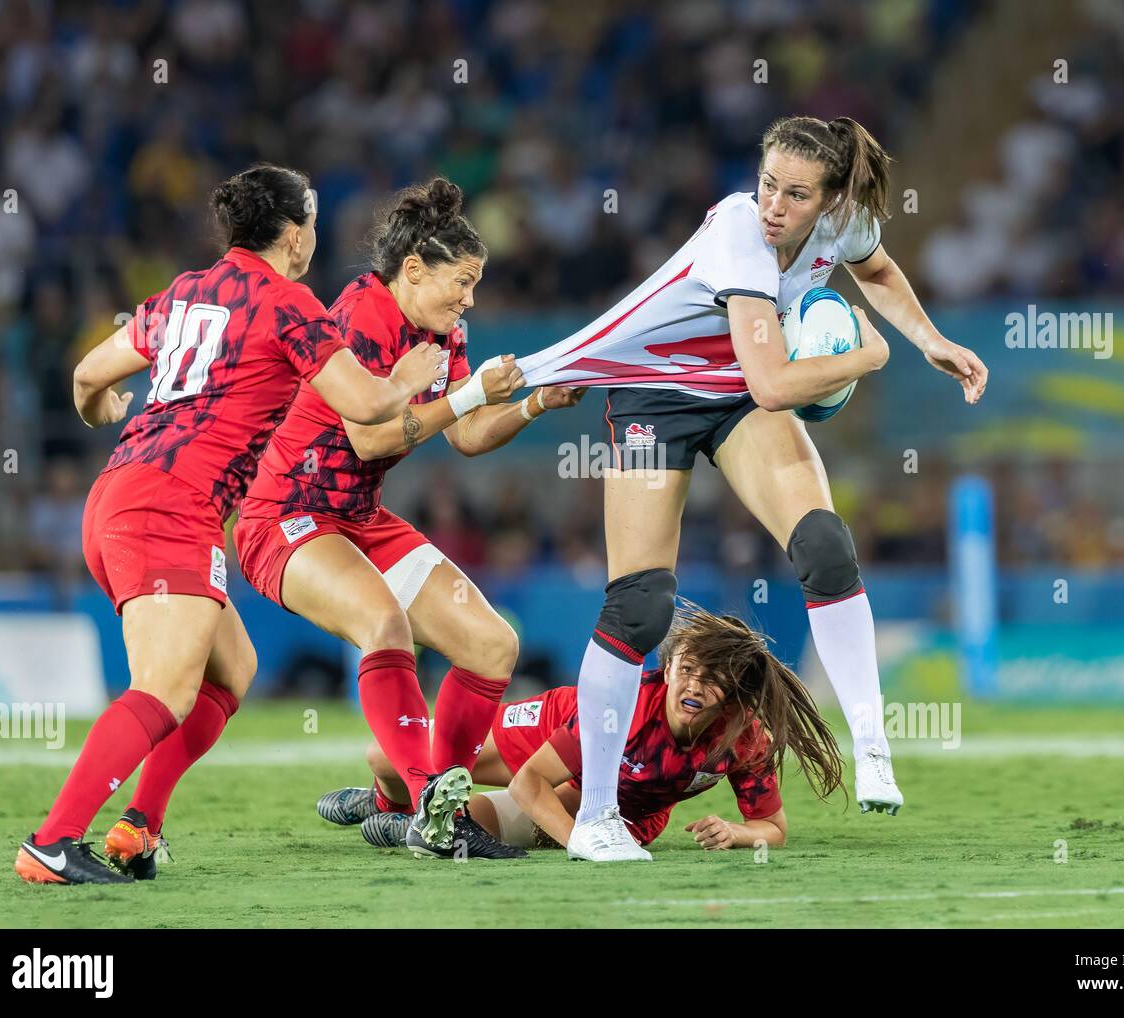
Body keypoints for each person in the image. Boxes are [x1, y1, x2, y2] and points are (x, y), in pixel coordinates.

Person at [516, 115, 989, 860]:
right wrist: (867, 357)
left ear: (830, 201)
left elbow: (878, 271)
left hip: (733, 390)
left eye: (796, 194)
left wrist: (930, 342)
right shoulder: (741, 228)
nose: (773, 203)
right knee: (639, 606)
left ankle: (871, 744)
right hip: (655, 391)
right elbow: (774, 385)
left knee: (828, 548)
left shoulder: (846, 223)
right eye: (768, 182)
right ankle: (598, 816)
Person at [15, 164, 442, 884]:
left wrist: (103, 413)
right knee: (164, 689)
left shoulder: (183, 292)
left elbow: (89, 376)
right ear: (297, 233)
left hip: (123, 495)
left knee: (230, 669)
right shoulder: (290, 302)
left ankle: (137, 828)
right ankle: (53, 842)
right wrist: (408, 377)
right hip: (169, 509)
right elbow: (366, 406)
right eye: (310, 219)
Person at [229, 178, 586, 860]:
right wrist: (475, 390)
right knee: (383, 623)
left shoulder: (442, 328)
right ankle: (435, 809)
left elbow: (468, 435)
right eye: (463, 282)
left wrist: (535, 405)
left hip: (359, 517)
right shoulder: (361, 314)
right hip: (286, 516)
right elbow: (370, 438)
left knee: (492, 647)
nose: (470, 299)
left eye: (476, 284)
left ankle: (409, 799)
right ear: (414, 270)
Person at [318, 603, 844, 853]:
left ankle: (410, 820)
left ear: (735, 693)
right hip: (549, 735)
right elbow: (529, 782)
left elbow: (773, 828)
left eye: (712, 680)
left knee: (464, 823)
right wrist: (582, 845)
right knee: (386, 757)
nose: (694, 685)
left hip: (611, 806)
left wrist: (737, 832)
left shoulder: (744, 740)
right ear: (671, 666)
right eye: (687, 670)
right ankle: (389, 803)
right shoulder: (626, 705)